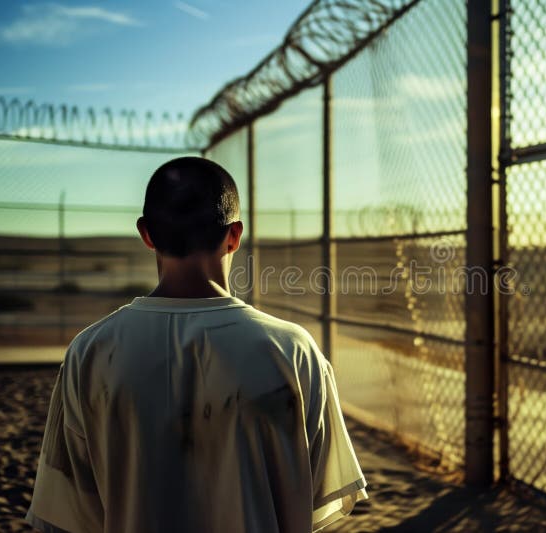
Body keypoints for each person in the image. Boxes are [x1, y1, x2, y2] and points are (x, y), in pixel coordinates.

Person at [26, 156, 367, 532]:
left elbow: (69, 511)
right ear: (234, 235)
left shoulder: (89, 353)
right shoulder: (294, 351)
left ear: (147, 234)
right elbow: (316, 500)